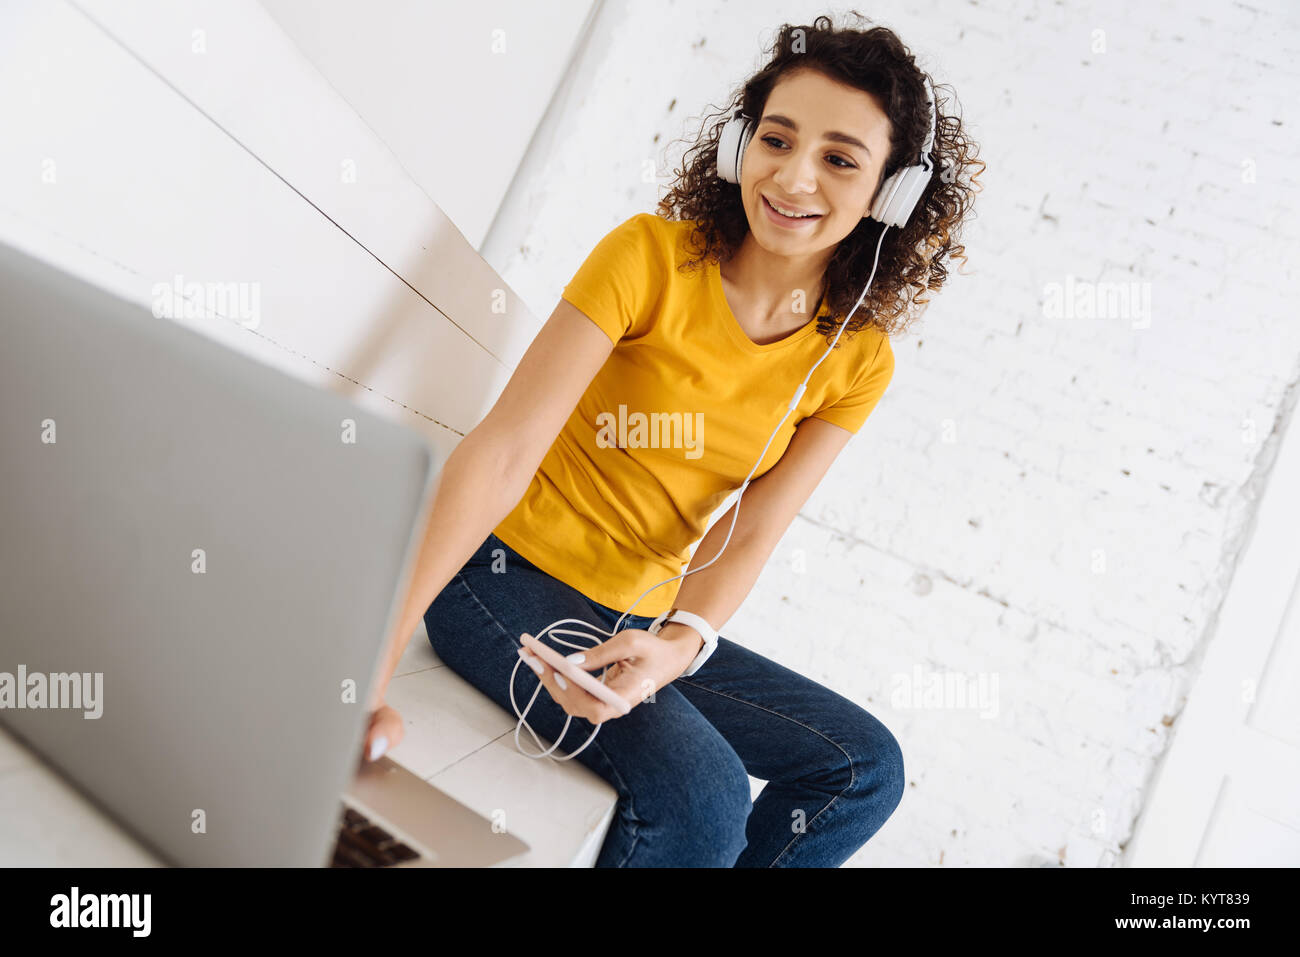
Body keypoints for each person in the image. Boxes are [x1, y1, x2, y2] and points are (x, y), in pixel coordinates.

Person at [362, 13, 983, 867]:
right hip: (504, 581)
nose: (794, 177)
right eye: (776, 138)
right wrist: (368, 666)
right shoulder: (648, 256)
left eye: (840, 158)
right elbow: (502, 450)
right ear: (738, 145)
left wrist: (678, 646)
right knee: (708, 795)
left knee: (862, 766)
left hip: (642, 615)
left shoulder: (857, 358)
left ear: (890, 193)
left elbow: (754, 529)